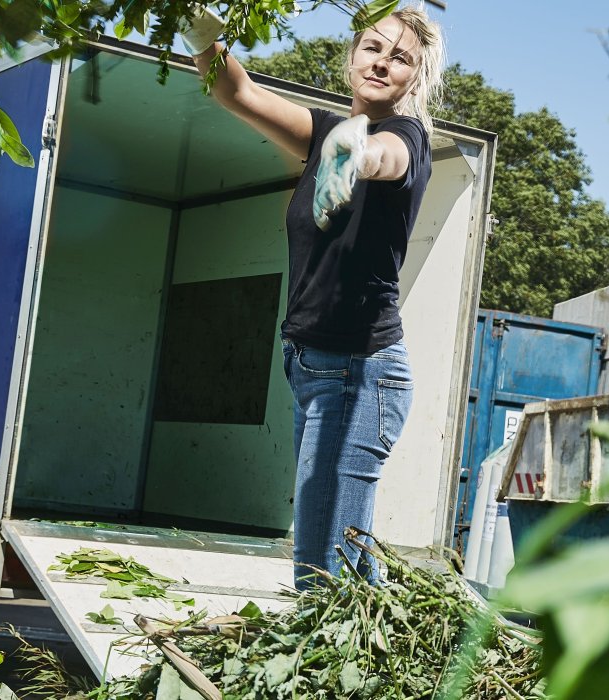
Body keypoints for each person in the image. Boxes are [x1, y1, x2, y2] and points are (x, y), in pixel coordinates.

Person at [177, 4, 445, 590]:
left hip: (360, 371)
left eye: (400, 58)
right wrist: (203, 32)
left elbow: (386, 160)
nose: (382, 63)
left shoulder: (407, 138)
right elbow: (237, 91)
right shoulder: (323, 132)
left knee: (326, 571)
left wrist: (358, 155)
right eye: (373, 48)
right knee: (331, 563)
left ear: (414, 79)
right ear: (351, 55)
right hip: (310, 365)